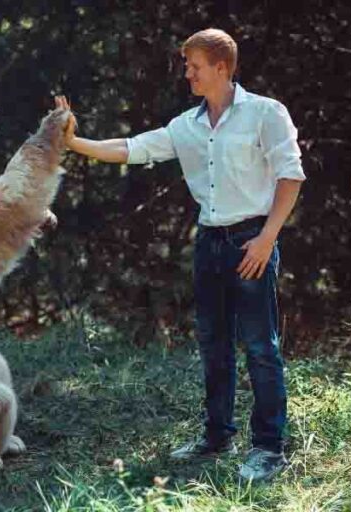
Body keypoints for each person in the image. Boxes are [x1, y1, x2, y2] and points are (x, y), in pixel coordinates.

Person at [55, 27, 306, 482]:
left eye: (194, 65)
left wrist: (267, 238)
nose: (187, 72)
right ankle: (217, 436)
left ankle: (268, 448)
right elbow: (130, 149)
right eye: (187, 64)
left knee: (260, 348)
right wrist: (74, 142)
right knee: (214, 346)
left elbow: (291, 177)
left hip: (252, 239)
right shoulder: (185, 126)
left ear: (222, 68)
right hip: (209, 243)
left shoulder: (266, 113)